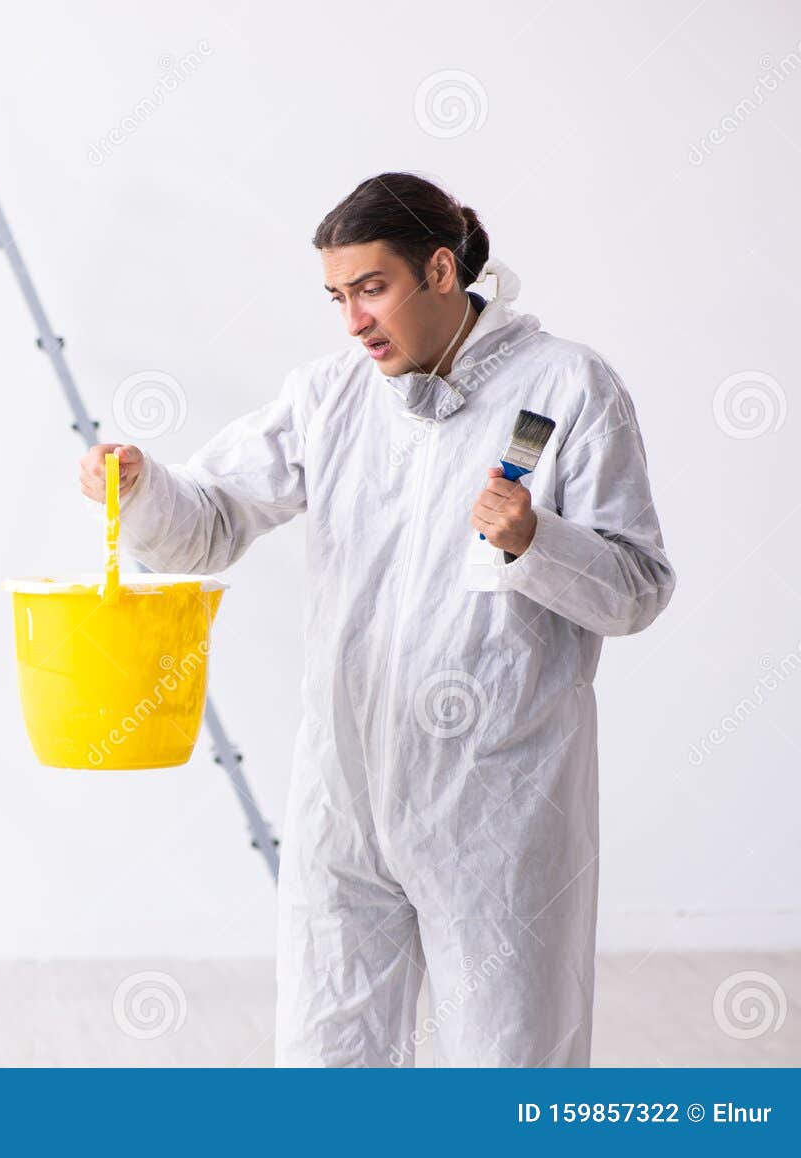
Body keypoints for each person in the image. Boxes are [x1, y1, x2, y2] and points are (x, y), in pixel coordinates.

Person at [78, 172, 674, 1067]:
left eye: (371, 289)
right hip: (344, 797)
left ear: (441, 270)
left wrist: (535, 541)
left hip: (496, 800)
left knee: (511, 1061)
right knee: (327, 1059)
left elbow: (636, 585)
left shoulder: (566, 387)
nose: (354, 320)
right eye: (338, 296)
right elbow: (208, 527)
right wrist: (143, 487)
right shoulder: (331, 395)